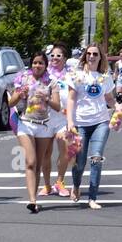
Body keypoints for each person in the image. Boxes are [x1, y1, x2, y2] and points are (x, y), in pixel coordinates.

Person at [63, 44, 118, 210]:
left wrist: (118, 107)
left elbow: (109, 99)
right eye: (89, 53)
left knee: (96, 159)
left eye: (95, 54)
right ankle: (77, 185)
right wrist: (70, 121)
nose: (92, 56)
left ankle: (92, 197)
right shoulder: (77, 75)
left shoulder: (105, 77)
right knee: (79, 162)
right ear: (85, 56)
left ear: (100, 57)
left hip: (101, 122)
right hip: (80, 123)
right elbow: (71, 99)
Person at [11, 50, 61, 213]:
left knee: (38, 164)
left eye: (41, 63)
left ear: (46, 66)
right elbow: (11, 103)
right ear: (30, 64)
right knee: (30, 161)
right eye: (35, 62)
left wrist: (46, 98)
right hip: (26, 123)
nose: (37, 65)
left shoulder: (51, 83)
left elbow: (57, 106)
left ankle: (35, 200)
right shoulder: (22, 79)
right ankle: (31, 200)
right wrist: (20, 94)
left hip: (44, 126)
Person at [44, 43, 75, 197]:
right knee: (45, 153)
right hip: (45, 119)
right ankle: (47, 185)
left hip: (63, 119)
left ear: (65, 59)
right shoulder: (45, 75)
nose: (55, 58)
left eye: (58, 56)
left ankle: (60, 182)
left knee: (64, 150)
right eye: (53, 55)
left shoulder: (70, 76)